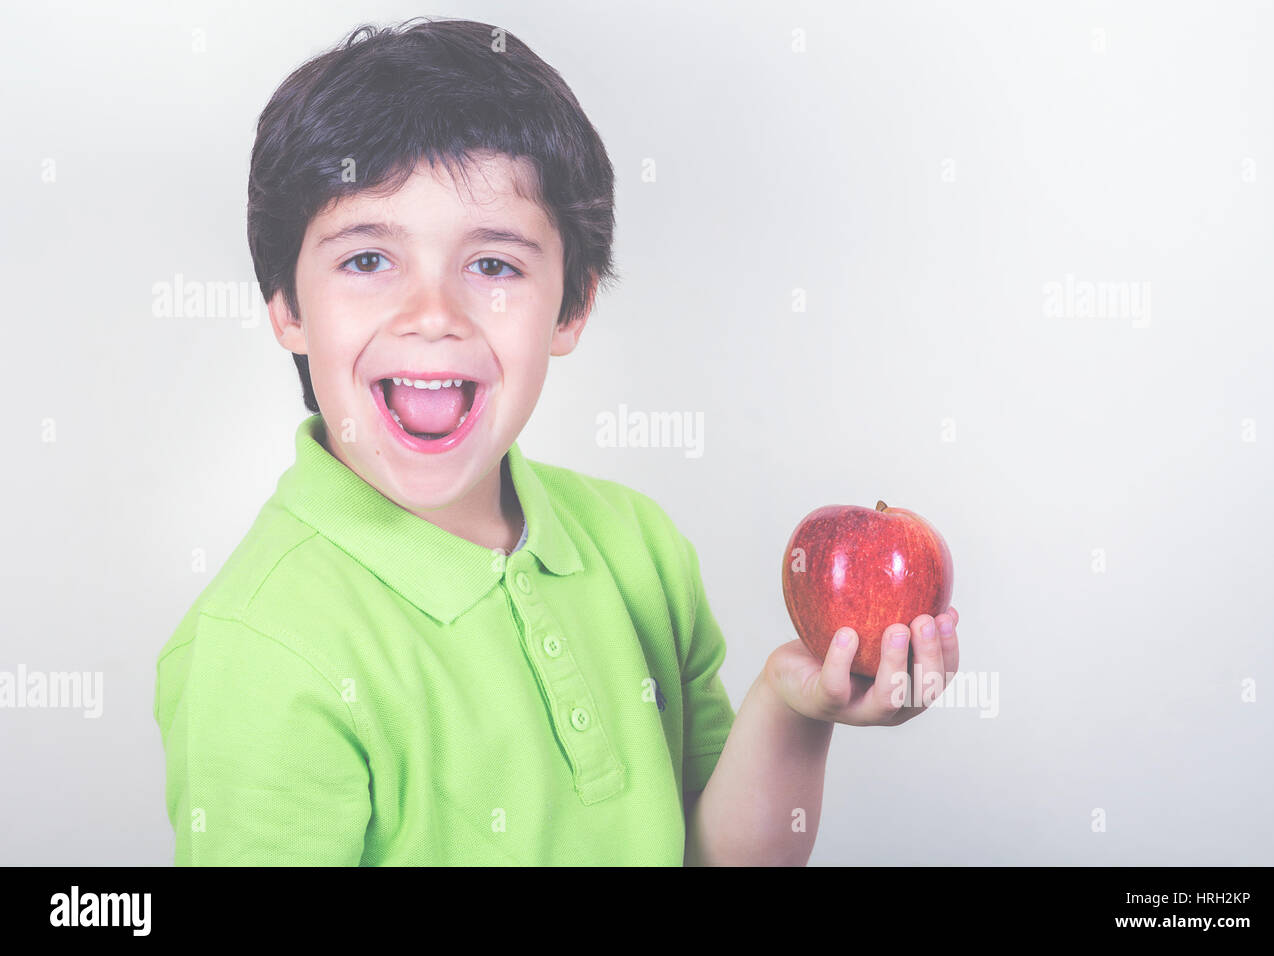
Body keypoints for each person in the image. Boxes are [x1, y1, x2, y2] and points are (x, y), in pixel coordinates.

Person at [154, 16, 960, 866]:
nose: (433, 315)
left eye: (494, 265)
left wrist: (792, 706)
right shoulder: (260, 649)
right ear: (286, 305)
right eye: (366, 260)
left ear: (570, 308)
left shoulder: (638, 547)